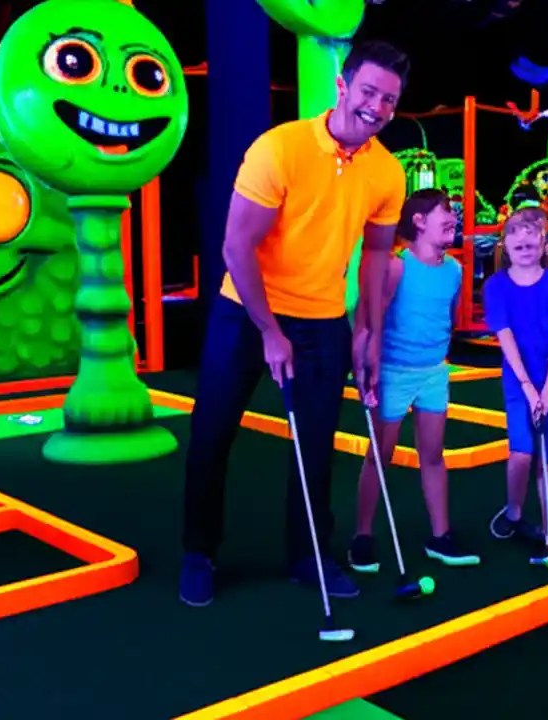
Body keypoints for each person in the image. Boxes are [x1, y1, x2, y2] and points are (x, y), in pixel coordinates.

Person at [179, 41, 410, 606]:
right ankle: (198, 551)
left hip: (323, 318)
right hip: (246, 312)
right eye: (369, 93)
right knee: (212, 434)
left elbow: (377, 257)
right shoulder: (279, 149)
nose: (376, 107)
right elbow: (236, 246)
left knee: (315, 444)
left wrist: (368, 331)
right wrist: (269, 332)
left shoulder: (387, 172)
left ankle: (308, 554)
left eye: (389, 100)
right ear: (342, 87)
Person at [347, 189, 481, 572]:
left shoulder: (455, 269)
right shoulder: (396, 267)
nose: (453, 219)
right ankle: (362, 536)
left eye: (454, 213)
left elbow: (449, 318)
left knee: (433, 455)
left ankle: (440, 536)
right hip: (393, 372)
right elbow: (369, 318)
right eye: (445, 213)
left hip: (434, 371)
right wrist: (365, 367)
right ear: (419, 221)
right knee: (380, 456)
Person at [482, 206, 548, 564]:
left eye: (533, 232)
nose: (524, 239)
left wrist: (547, 390)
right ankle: (514, 513)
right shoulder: (496, 286)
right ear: (505, 243)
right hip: (519, 385)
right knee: (521, 453)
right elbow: (505, 339)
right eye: (516, 233)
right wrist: (529, 388)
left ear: (545, 242)